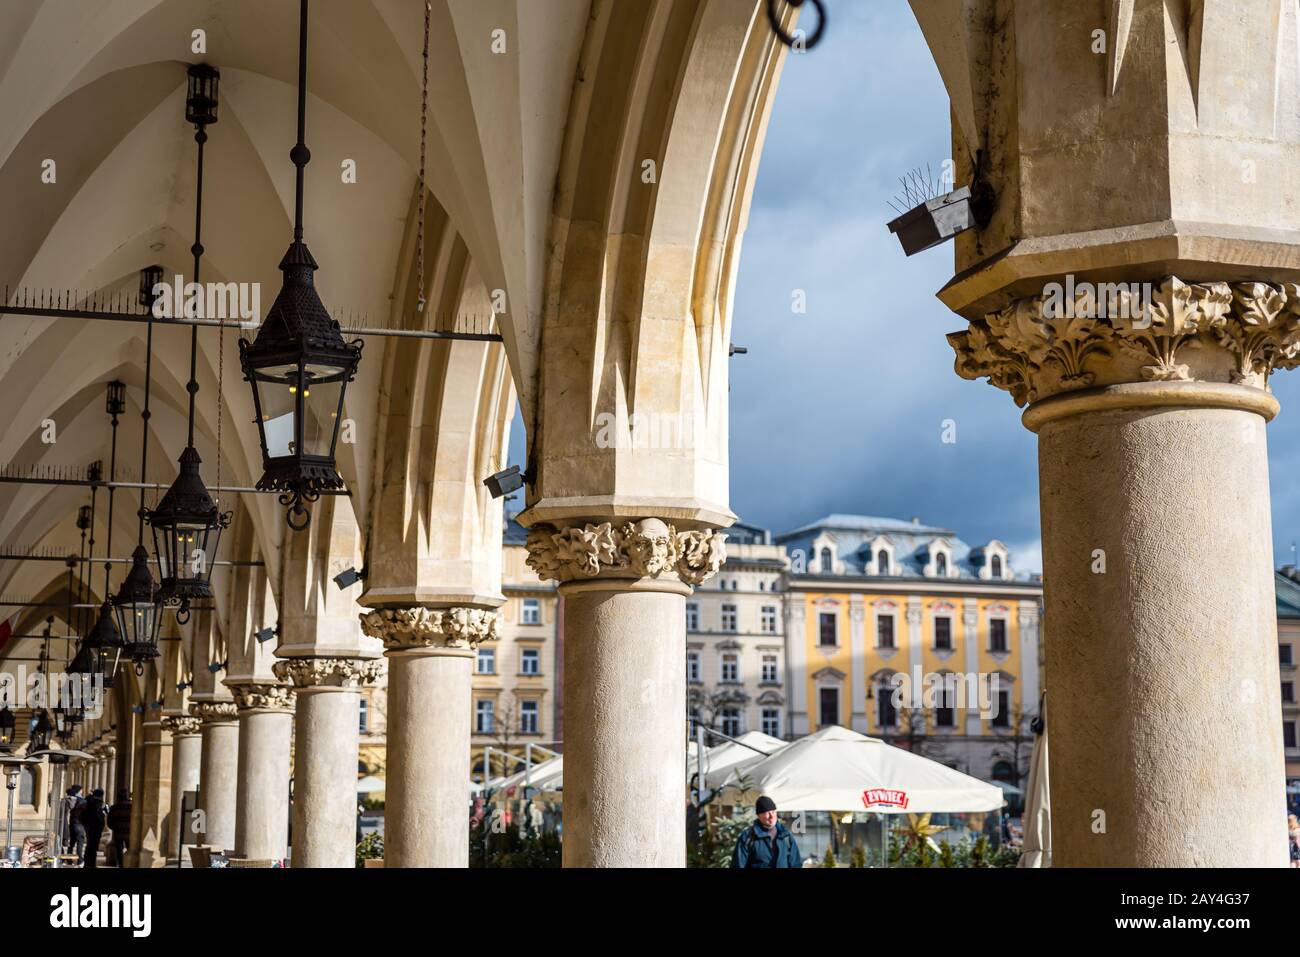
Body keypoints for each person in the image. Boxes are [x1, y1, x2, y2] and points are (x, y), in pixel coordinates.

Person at [731, 795, 802, 868]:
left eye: (773, 812)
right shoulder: (748, 837)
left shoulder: (786, 835)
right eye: (767, 813)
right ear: (759, 816)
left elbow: (796, 864)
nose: (771, 816)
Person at [81, 789, 107, 869]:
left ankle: (88, 863)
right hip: (95, 827)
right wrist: (101, 823)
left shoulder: (89, 801)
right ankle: (91, 864)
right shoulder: (97, 803)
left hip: (89, 826)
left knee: (90, 845)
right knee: (93, 847)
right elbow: (97, 815)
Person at [108, 789, 132, 867]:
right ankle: (129, 864)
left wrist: (114, 827)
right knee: (130, 848)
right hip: (129, 831)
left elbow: (109, 821)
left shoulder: (114, 807)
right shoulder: (131, 807)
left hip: (118, 831)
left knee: (119, 849)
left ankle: (121, 865)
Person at [63, 786, 85, 862]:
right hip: (79, 824)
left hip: (71, 823)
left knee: (71, 843)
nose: (82, 792)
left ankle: (69, 859)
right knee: (80, 842)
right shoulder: (82, 801)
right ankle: (80, 859)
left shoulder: (68, 800)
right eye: (81, 790)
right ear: (78, 791)